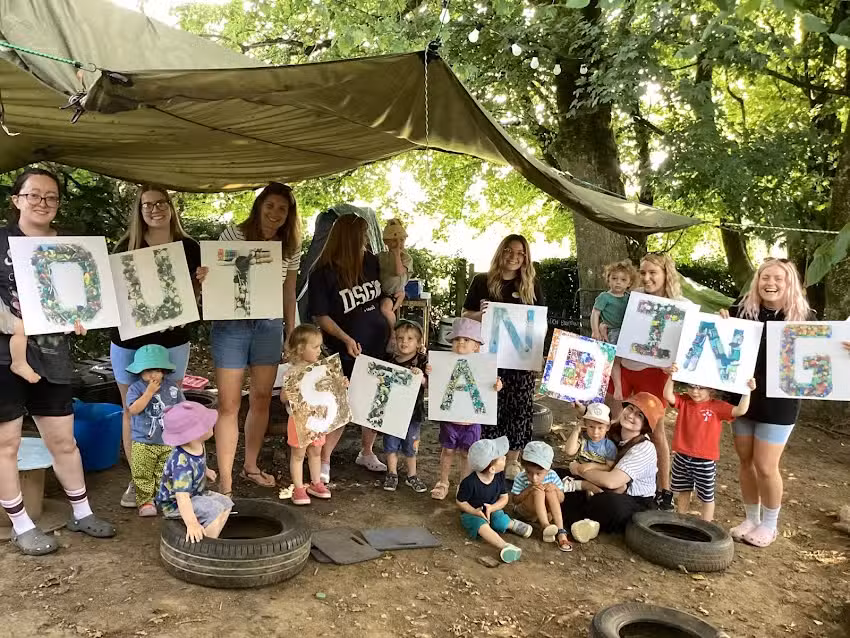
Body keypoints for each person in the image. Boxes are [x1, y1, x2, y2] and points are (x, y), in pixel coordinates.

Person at [0, 168, 115, 555]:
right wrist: (14, 322)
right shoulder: (0, 240)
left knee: (64, 440)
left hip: (53, 354)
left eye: (50, 197)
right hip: (4, 356)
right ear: (16, 199)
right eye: (34, 195)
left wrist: (85, 314)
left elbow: (83, 296)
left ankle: (82, 512)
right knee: (7, 443)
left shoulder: (69, 248)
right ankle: (21, 524)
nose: (42, 203)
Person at [201, 183, 302, 496]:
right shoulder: (235, 235)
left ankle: (251, 466)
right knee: (230, 404)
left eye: (282, 210)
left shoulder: (290, 246)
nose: (275, 214)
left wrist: (290, 332)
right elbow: (217, 276)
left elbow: (289, 291)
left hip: (268, 327)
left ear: (289, 216)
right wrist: (205, 276)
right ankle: (227, 481)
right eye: (270, 206)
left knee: (260, 398)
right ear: (259, 206)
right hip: (231, 325)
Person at [111, 184, 201, 509]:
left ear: (171, 207)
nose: (154, 209)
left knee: (170, 408)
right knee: (131, 409)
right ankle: (140, 481)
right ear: (139, 211)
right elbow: (115, 297)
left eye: (161, 202)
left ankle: (167, 477)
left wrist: (202, 281)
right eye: (147, 204)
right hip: (129, 341)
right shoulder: (126, 246)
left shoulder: (190, 247)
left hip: (172, 341)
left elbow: (195, 297)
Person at [722, 258, 813, 547]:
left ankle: (770, 525)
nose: (770, 283)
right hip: (743, 398)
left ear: (789, 284)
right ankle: (751, 518)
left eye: (778, 278)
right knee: (746, 461)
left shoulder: (804, 319)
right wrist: (720, 323)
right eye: (764, 277)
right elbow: (718, 343)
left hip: (781, 402)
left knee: (765, 465)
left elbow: (822, 356)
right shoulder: (741, 310)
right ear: (757, 280)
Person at [308, 215, 389, 482]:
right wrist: (344, 338)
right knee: (342, 404)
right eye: (363, 236)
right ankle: (324, 458)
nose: (366, 241)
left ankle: (366, 451)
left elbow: (383, 293)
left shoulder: (370, 262)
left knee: (375, 400)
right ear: (349, 238)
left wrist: (391, 302)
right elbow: (321, 316)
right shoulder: (323, 273)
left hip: (378, 344)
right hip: (346, 350)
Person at [463, 234, 544, 480]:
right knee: (490, 407)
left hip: (521, 362)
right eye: (509, 251)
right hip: (488, 359)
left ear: (526, 257)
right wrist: (482, 315)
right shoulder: (482, 281)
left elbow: (539, 324)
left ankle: (512, 462)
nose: (514, 257)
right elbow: (465, 315)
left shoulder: (531, 285)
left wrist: (538, 357)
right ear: (501, 252)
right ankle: (490, 456)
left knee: (519, 409)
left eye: (520, 253)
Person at [616, 252, 687, 511]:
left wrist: (677, 365)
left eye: (653, 273)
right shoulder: (632, 299)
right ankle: (616, 478)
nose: (647, 278)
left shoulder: (680, 304)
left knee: (656, 432)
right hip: (625, 367)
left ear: (666, 274)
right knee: (618, 424)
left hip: (655, 373)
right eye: (643, 272)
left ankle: (664, 489)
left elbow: (693, 340)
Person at [561, 392, 666, 537]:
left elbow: (611, 482)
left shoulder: (644, 448)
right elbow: (599, 422)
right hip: (599, 483)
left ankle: (574, 517)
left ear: (645, 426)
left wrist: (578, 469)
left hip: (631, 499)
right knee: (558, 475)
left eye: (639, 415)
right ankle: (580, 519)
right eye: (630, 409)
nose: (630, 415)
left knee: (610, 505)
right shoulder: (615, 429)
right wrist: (584, 411)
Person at [662, 365, 755, 522]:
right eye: (691, 386)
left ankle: (707, 525)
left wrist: (747, 391)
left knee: (706, 495)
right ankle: (680, 521)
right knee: (683, 490)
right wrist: (671, 376)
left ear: (711, 389)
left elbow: (740, 411)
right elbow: (667, 395)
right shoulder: (685, 401)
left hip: (705, 460)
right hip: (682, 455)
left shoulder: (717, 406)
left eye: (700, 388)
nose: (694, 391)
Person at [428, 317, 503, 500]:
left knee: (467, 454)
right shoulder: (443, 363)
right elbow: (435, 386)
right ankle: (443, 481)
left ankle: (464, 483)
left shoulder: (484, 366)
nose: (460, 342)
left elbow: (491, 386)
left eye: (466, 339)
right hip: (450, 420)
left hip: (472, 422)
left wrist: (497, 385)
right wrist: (432, 372)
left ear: (476, 346)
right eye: (456, 339)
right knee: (447, 451)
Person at [156, 401, 234, 542]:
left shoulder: (197, 445)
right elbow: (182, 497)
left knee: (226, 503)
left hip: (196, 494)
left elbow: (198, 462)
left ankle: (211, 534)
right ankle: (203, 548)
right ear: (194, 434)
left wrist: (205, 470)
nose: (212, 425)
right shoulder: (182, 465)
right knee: (214, 510)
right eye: (207, 424)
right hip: (175, 504)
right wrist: (192, 524)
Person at [125, 344, 184, 517]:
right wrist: (149, 393)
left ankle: (165, 501)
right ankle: (146, 501)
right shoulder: (136, 388)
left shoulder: (172, 388)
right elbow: (134, 409)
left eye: (157, 370)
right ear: (139, 371)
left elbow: (181, 408)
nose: (152, 375)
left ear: (164, 371)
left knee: (165, 473)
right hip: (143, 441)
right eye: (147, 370)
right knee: (142, 472)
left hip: (168, 440)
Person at [456, 436, 532, 564]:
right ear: (491, 468)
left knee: (500, 520)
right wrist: (475, 511)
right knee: (480, 525)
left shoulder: (498, 477)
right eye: (501, 457)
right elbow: (460, 502)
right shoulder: (469, 483)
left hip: (493, 509)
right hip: (472, 513)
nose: (505, 457)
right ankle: (504, 545)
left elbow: (504, 498)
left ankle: (511, 524)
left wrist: (492, 508)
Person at [280, 324, 331, 506]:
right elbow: (284, 397)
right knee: (299, 454)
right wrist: (295, 387)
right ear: (301, 349)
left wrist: (340, 384)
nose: (319, 351)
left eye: (320, 346)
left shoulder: (321, 370)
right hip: (299, 420)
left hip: (317, 419)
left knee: (316, 451)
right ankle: (299, 487)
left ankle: (316, 483)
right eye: (315, 347)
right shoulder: (292, 372)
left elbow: (329, 392)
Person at [382, 319, 428, 493]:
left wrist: (421, 376)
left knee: (411, 445)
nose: (404, 342)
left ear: (418, 343)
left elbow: (429, 385)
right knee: (390, 444)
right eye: (400, 338)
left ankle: (412, 475)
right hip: (392, 412)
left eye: (410, 338)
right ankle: (392, 473)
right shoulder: (389, 360)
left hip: (413, 413)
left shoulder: (422, 361)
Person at [510, 441, 571, 551]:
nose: (534, 478)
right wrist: (529, 490)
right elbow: (515, 500)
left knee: (550, 491)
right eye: (529, 472)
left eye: (539, 474)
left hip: (546, 512)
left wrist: (556, 489)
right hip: (526, 512)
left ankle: (561, 531)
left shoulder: (552, 475)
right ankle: (545, 526)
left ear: (548, 469)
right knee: (538, 491)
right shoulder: (520, 477)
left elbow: (561, 499)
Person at [562, 402, 618, 493]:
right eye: (591, 426)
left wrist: (591, 465)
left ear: (607, 427)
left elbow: (609, 467)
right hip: (577, 473)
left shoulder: (609, 446)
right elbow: (569, 451)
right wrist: (576, 430)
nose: (595, 432)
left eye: (600, 428)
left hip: (595, 477)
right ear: (585, 424)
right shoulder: (583, 438)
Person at [377, 219, 413, 347]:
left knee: (385, 308)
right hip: (380, 291)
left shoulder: (406, 258)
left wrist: (397, 254)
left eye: (401, 240)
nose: (398, 243)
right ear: (386, 242)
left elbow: (398, 272)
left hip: (393, 292)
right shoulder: (381, 256)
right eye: (394, 240)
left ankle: (394, 333)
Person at [591, 259, 636, 345]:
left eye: (623, 280)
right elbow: (595, 313)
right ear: (608, 280)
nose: (618, 282)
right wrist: (595, 331)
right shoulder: (605, 297)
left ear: (629, 283)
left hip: (626, 331)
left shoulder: (630, 297)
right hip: (611, 331)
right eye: (614, 278)